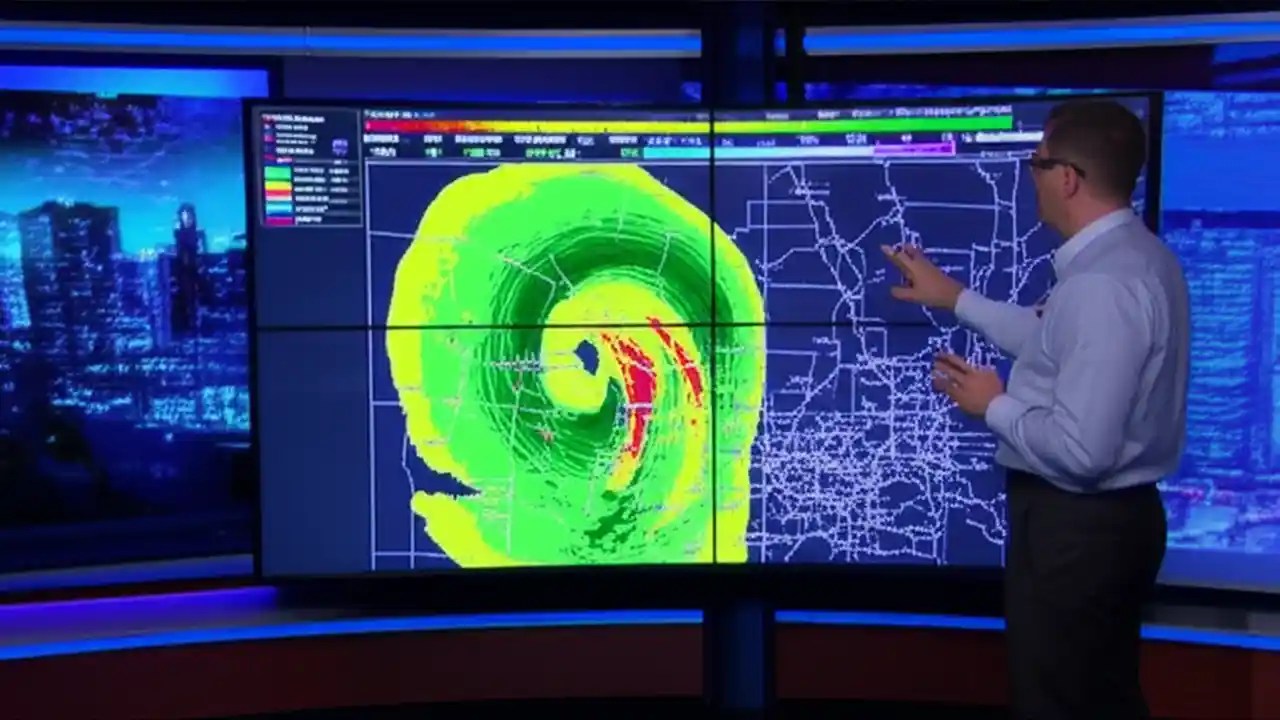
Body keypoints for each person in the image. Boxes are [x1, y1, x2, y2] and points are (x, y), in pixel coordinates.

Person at [882, 99, 1189, 720]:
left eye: (1036, 161)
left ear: (1067, 177)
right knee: (1093, 694)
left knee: (1062, 701)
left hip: (1078, 534)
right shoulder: (1136, 259)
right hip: (1108, 528)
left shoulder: (1103, 286)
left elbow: (1082, 453)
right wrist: (955, 298)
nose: (1031, 175)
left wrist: (994, 405)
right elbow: (1054, 343)